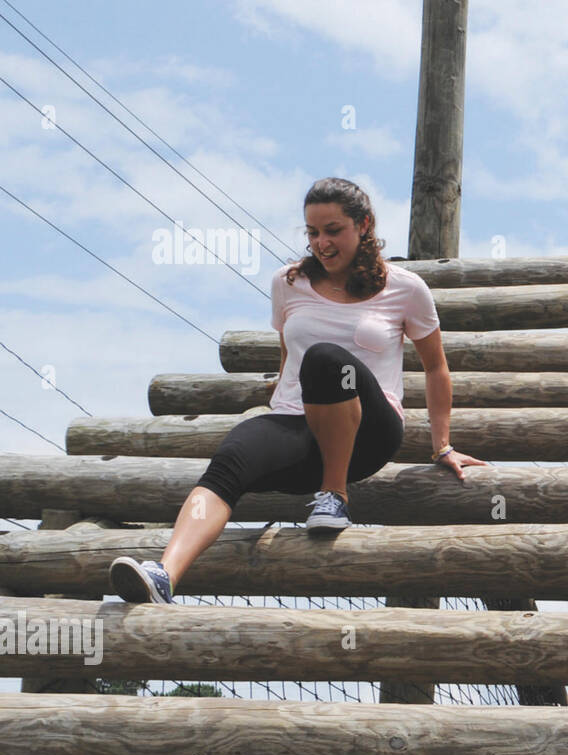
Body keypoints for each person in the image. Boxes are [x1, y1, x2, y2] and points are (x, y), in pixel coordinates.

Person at [109, 177, 486, 604]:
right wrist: (274, 412)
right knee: (231, 457)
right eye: (312, 232)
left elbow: (436, 367)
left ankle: (333, 496)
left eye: (332, 230)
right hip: (298, 422)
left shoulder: (405, 289)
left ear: (363, 226)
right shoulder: (287, 283)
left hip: (369, 434)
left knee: (326, 361)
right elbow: (289, 350)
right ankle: (165, 575)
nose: (320, 242)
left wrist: (442, 446)